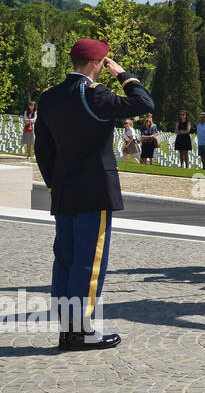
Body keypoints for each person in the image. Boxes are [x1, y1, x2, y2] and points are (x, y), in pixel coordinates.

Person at [34, 38, 154, 351]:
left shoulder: (50, 97)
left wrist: (53, 184)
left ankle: (67, 327)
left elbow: (43, 149)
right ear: (97, 63)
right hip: (94, 191)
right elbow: (144, 104)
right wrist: (124, 75)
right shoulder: (94, 95)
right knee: (88, 260)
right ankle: (82, 330)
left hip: (63, 191)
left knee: (65, 258)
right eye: (104, 62)